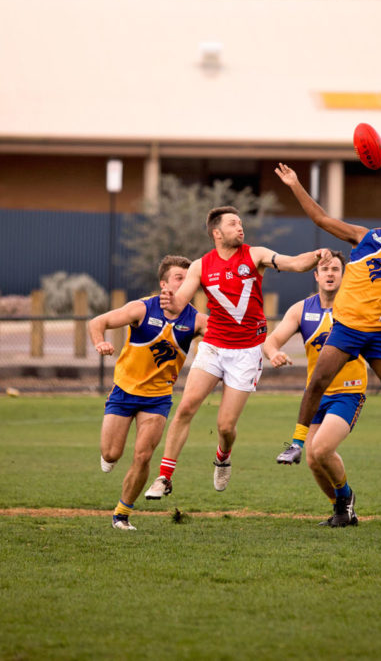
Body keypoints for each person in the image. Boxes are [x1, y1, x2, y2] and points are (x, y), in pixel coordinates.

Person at [275, 162, 381, 523]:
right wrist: (295, 185)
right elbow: (320, 219)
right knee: (317, 379)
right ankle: (296, 443)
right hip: (348, 328)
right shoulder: (365, 236)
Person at [143, 206, 332, 501]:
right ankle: (164, 477)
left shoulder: (255, 255)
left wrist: (316, 256)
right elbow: (179, 304)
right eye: (233, 224)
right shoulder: (200, 266)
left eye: (241, 223)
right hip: (214, 346)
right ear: (217, 233)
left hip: (247, 352)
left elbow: (293, 263)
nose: (240, 227)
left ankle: (223, 456)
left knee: (226, 426)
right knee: (186, 407)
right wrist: (168, 301)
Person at [263, 251, 381, 527]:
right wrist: (273, 353)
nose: (331, 273)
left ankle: (346, 498)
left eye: (336, 268)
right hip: (316, 397)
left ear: (344, 275)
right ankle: (343, 510)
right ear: (316, 275)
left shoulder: (360, 307)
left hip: (348, 393)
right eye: (325, 269)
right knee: (312, 460)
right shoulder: (301, 310)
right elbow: (271, 340)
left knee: (321, 449)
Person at [88, 255, 207, 531]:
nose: (185, 283)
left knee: (143, 456)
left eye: (189, 279)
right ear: (163, 284)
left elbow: (222, 336)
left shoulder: (197, 320)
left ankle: (122, 514)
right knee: (112, 453)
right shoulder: (142, 309)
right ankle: (108, 457)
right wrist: (100, 343)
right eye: (179, 278)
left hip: (158, 398)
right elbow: (97, 322)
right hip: (124, 391)